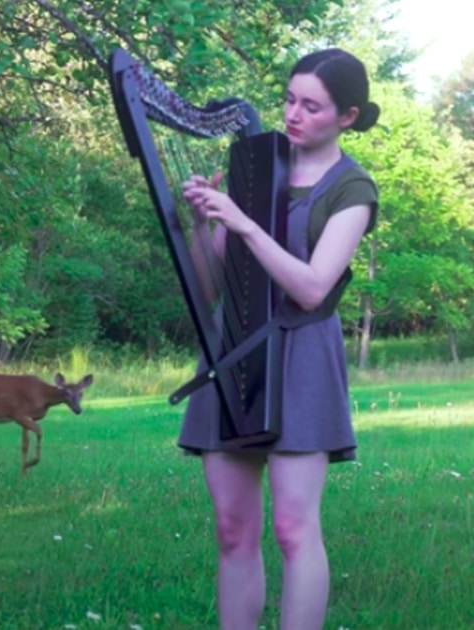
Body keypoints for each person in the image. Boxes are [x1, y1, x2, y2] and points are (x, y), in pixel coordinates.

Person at [178, 48, 379, 630]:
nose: (293, 114)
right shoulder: (255, 163)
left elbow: (313, 288)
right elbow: (211, 284)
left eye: (311, 106)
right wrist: (203, 223)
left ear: (347, 116)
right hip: (232, 354)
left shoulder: (352, 189)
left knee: (294, 530)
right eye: (289, 99)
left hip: (303, 361)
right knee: (232, 529)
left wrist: (242, 222)